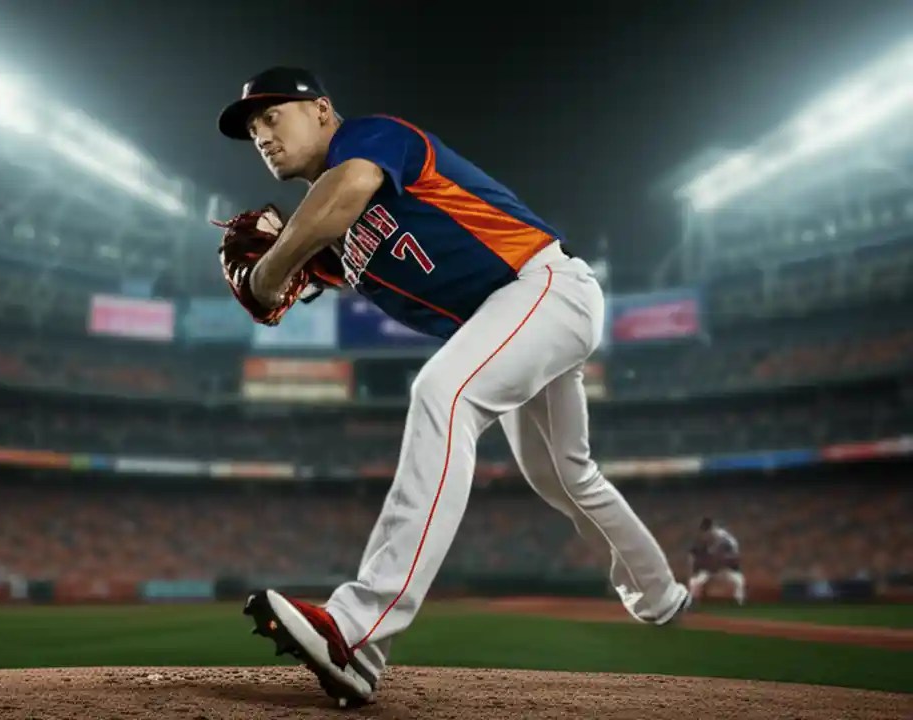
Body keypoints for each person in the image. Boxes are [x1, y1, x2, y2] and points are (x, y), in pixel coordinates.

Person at [216, 67, 690, 707]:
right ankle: (658, 592)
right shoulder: (338, 239)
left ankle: (359, 632)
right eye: (251, 129)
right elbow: (306, 267)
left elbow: (345, 194)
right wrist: (279, 265)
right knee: (565, 474)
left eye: (272, 115)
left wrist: (271, 270)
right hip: (516, 319)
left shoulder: (373, 138)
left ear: (323, 110)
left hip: (543, 287)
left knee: (444, 394)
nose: (261, 135)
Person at [688, 517, 746, 606]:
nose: (705, 534)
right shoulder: (700, 540)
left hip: (724, 569)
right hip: (709, 569)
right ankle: (691, 603)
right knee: (694, 582)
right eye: (704, 531)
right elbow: (693, 554)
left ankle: (739, 604)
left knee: (739, 581)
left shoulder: (725, 538)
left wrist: (724, 560)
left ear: (712, 528)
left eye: (707, 530)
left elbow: (735, 554)